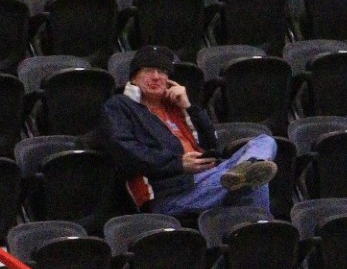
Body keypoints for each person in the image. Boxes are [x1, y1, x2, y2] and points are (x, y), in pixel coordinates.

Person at [99, 46, 279, 215]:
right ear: (133, 78)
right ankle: (251, 190)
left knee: (265, 141)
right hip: (170, 193)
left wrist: (190, 107)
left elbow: (212, 145)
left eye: (162, 71)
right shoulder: (119, 106)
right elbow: (126, 152)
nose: (156, 77)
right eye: (148, 71)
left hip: (208, 177)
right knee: (255, 182)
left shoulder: (176, 106)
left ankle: (248, 170)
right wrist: (179, 164)